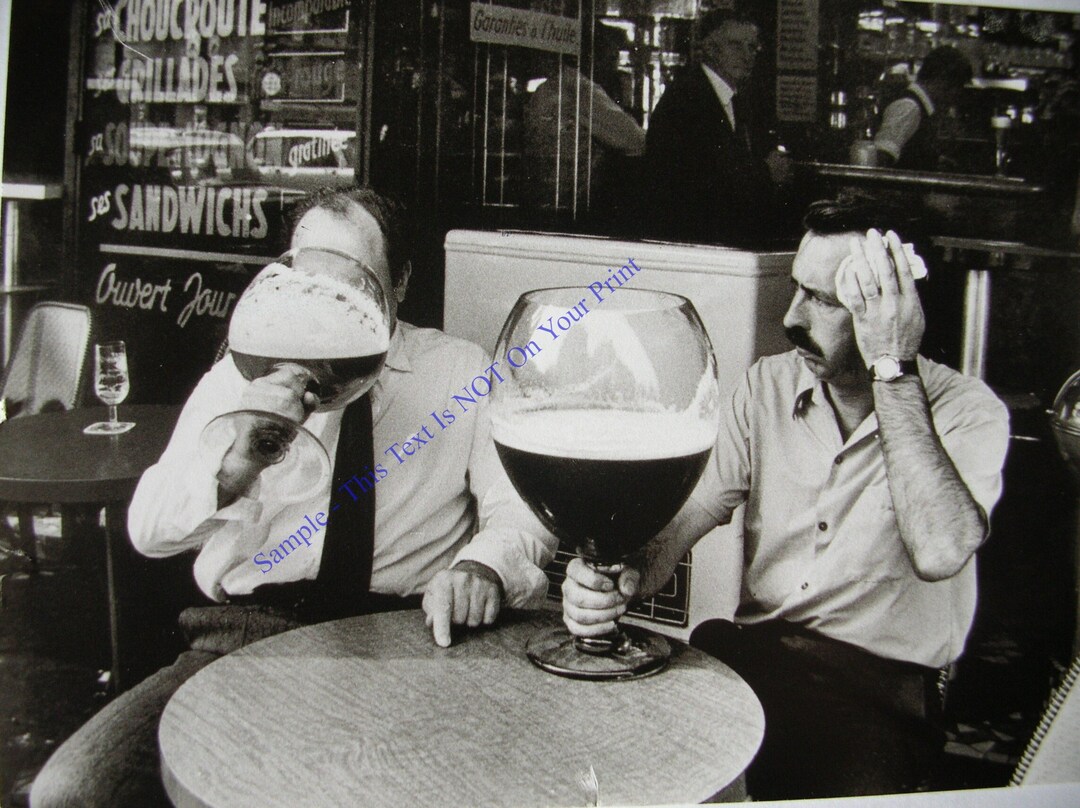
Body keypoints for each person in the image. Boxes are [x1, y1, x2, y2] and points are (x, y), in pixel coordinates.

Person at [30, 187, 558, 808]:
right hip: (244, 637)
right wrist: (239, 459)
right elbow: (148, 530)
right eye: (309, 280)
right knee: (73, 792)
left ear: (401, 284)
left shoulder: (462, 373)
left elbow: (522, 508)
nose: (327, 302)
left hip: (399, 643)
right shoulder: (240, 373)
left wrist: (482, 565)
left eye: (354, 284)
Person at [561, 197, 1010, 799]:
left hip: (875, 695)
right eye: (799, 289)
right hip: (755, 664)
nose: (793, 317)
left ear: (894, 308)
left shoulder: (967, 412)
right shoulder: (766, 386)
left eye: (826, 300)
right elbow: (683, 523)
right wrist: (620, 573)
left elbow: (940, 549)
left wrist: (893, 367)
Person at [642, 9, 789, 245]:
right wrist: (766, 173)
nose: (747, 56)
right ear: (709, 49)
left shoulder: (735, 100)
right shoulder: (687, 99)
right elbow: (700, 183)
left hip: (720, 239)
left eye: (752, 47)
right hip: (691, 242)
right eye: (735, 45)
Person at [523, 23, 645, 220]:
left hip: (545, 201)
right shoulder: (580, 90)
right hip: (573, 207)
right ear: (593, 57)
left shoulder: (553, 85)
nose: (614, 67)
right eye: (612, 58)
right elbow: (635, 140)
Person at [874, 46, 973, 171]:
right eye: (959, 86)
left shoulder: (920, 108)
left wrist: (934, 160)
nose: (958, 94)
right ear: (942, 81)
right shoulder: (909, 107)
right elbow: (881, 157)